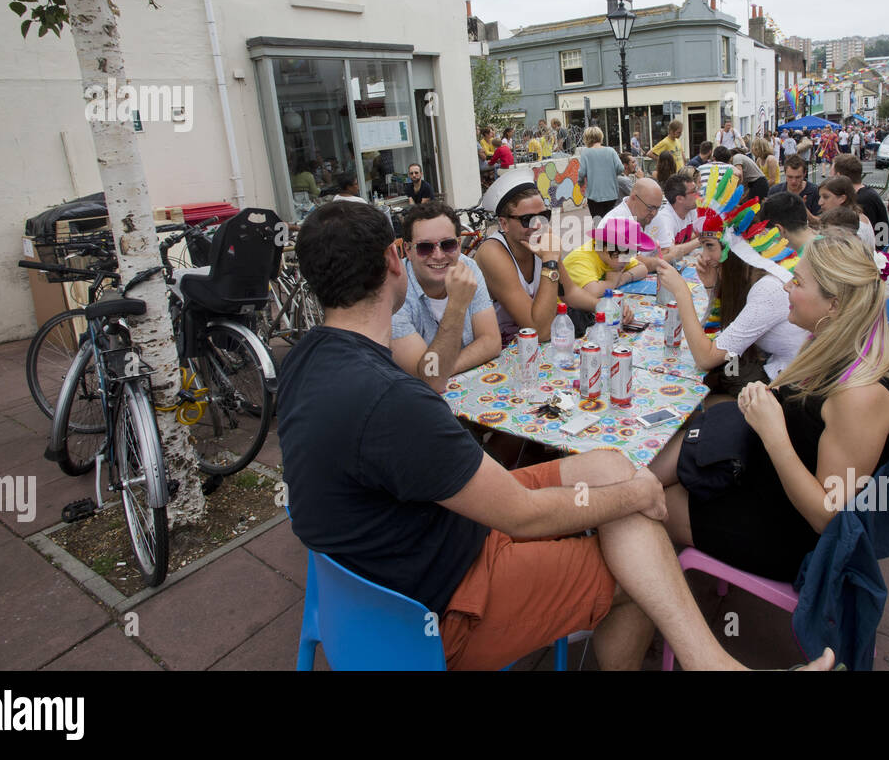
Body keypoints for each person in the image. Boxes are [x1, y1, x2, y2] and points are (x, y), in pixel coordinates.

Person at [280, 202, 834, 671]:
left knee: (611, 463)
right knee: (643, 563)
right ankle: (715, 664)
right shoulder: (393, 400)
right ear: (393, 259)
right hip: (446, 602)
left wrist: (625, 490)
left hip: (407, 554)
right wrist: (634, 496)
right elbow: (520, 516)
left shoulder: (307, 360)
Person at [646, 231, 889, 583]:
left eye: (797, 281)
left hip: (785, 530)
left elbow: (825, 517)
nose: (786, 286)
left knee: (644, 504)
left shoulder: (860, 396)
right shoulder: (831, 343)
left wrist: (772, 433)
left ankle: (627, 588)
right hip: (763, 478)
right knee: (645, 483)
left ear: (834, 305)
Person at [653, 225, 810, 394]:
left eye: (710, 246)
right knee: (718, 376)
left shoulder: (768, 288)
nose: (704, 256)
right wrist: (711, 286)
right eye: (702, 246)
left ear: (736, 248)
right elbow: (725, 326)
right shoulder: (755, 274)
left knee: (710, 391)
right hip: (778, 370)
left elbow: (705, 358)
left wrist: (681, 292)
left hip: (790, 388)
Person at [391, 201, 502, 392]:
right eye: (425, 247)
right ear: (408, 250)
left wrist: (444, 369)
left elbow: (491, 342)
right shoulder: (394, 291)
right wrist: (456, 306)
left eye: (447, 245)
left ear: (458, 245)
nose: (438, 255)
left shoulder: (468, 267)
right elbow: (431, 379)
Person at [475, 173, 588, 345]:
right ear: (504, 224)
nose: (538, 225)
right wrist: (550, 260)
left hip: (527, 347)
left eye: (543, 216)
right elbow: (540, 331)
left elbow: (570, 293)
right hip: (498, 351)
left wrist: (606, 306)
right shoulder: (492, 252)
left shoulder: (541, 240)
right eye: (527, 219)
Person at [562, 219, 652, 297]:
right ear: (607, 249)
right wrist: (611, 282)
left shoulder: (613, 255)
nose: (628, 262)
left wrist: (623, 278)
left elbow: (642, 268)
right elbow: (592, 292)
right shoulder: (581, 260)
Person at [833, 154, 889, 251]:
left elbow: (861, 236)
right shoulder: (866, 193)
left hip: (871, 252)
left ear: (838, 176)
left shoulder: (862, 200)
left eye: (831, 172)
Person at [646, 173, 703, 263]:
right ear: (679, 199)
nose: (698, 193)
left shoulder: (690, 209)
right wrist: (702, 239)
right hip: (652, 266)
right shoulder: (665, 218)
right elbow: (671, 252)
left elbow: (701, 232)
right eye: (694, 191)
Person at [817, 175, 877, 250]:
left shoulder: (854, 225)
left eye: (826, 197)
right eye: (820, 197)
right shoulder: (852, 216)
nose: (820, 202)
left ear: (842, 198)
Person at [577, 126, 623, 221]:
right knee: (610, 222)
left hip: (594, 195)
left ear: (587, 138)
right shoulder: (611, 151)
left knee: (598, 222)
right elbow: (620, 168)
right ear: (601, 136)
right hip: (611, 194)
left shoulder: (586, 153)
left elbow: (581, 172)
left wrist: (581, 183)